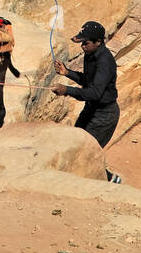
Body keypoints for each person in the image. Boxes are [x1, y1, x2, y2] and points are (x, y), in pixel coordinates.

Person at [52, 20, 123, 183]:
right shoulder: (90, 54)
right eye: (82, 42)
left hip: (104, 116)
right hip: (91, 110)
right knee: (74, 143)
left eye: (86, 43)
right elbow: (88, 81)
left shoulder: (105, 61)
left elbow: (95, 93)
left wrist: (66, 90)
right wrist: (67, 72)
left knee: (85, 153)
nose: (83, 46)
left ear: (98, 42)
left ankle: (110, 179)